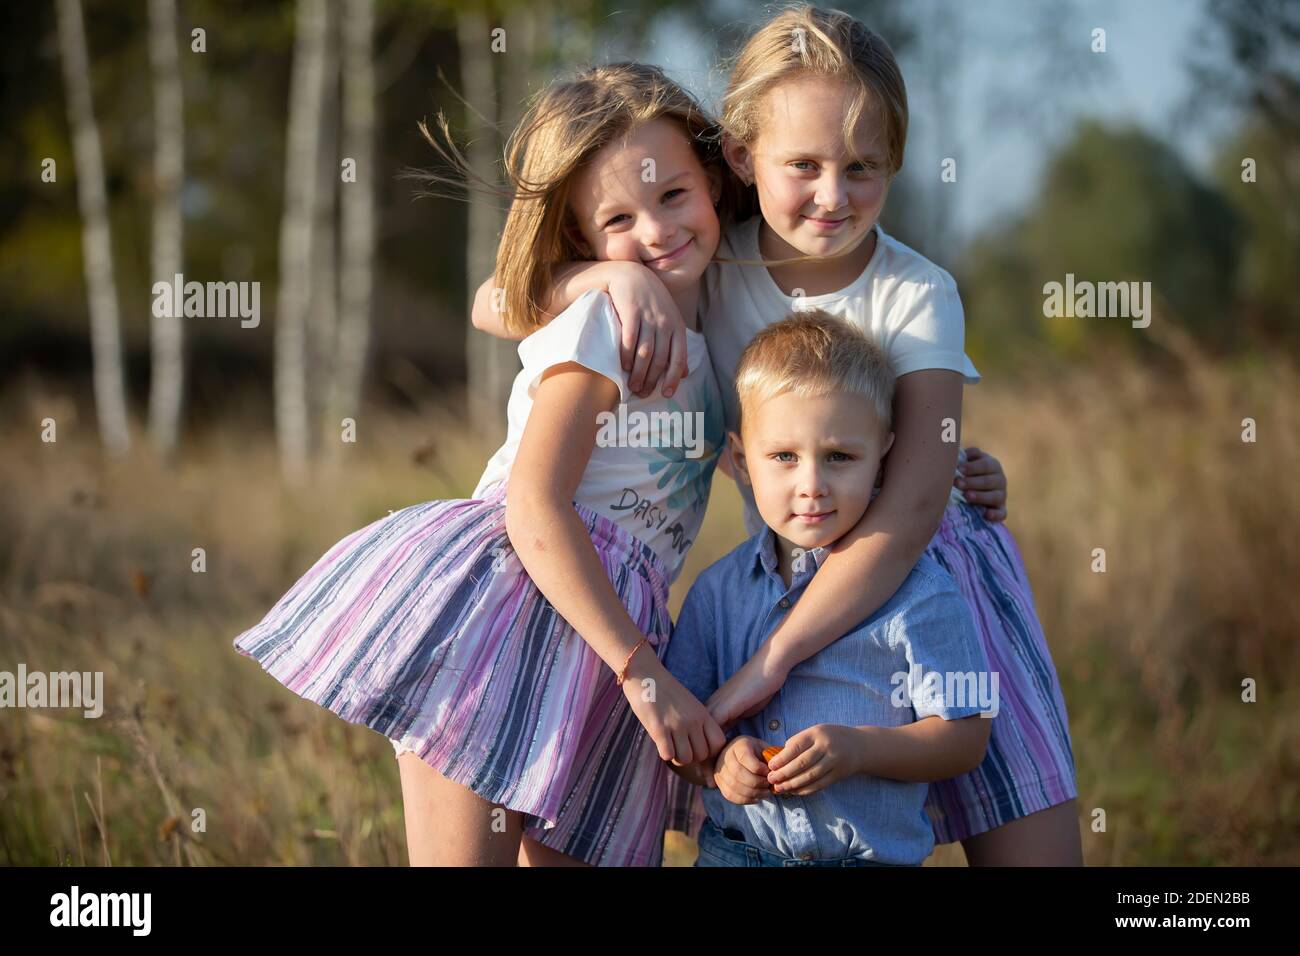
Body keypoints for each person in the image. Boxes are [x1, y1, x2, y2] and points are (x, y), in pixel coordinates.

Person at [234, 63, 734, 866]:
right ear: (581, 239)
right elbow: (535, 507)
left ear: (711, 180)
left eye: (674, 196)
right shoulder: (605, 319)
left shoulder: (717, 335)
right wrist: (645, 676)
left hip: (615, 635)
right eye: (618, 220)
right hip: (519, 606)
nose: (655, 232)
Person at [664, 311, 994, 866]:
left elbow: (968, 736)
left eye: (840, 457)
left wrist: (860, 749)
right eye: (784, 457)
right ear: (744, 461)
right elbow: (680, 732)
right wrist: (720, 764)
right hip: (735, 854)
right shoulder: (717, 593)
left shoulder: (924, 593)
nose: (812, 485)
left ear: (883, 458)